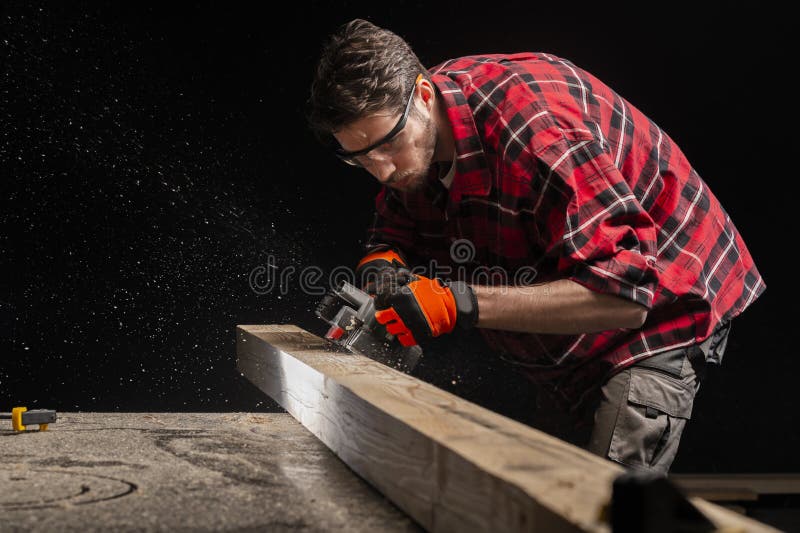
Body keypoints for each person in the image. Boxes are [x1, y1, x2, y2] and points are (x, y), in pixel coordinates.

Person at [305, 18, 765, 473]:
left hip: (657, 311)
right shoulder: (416, 132)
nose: (382, 171)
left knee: (597, 502)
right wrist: (382, 264)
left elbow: (625, 297)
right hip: (568, 344)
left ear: (424, 95)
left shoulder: (537, 134)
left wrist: (457, 302)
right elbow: (397, 220)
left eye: (388, 146)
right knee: (548, 490)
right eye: (359, 158)